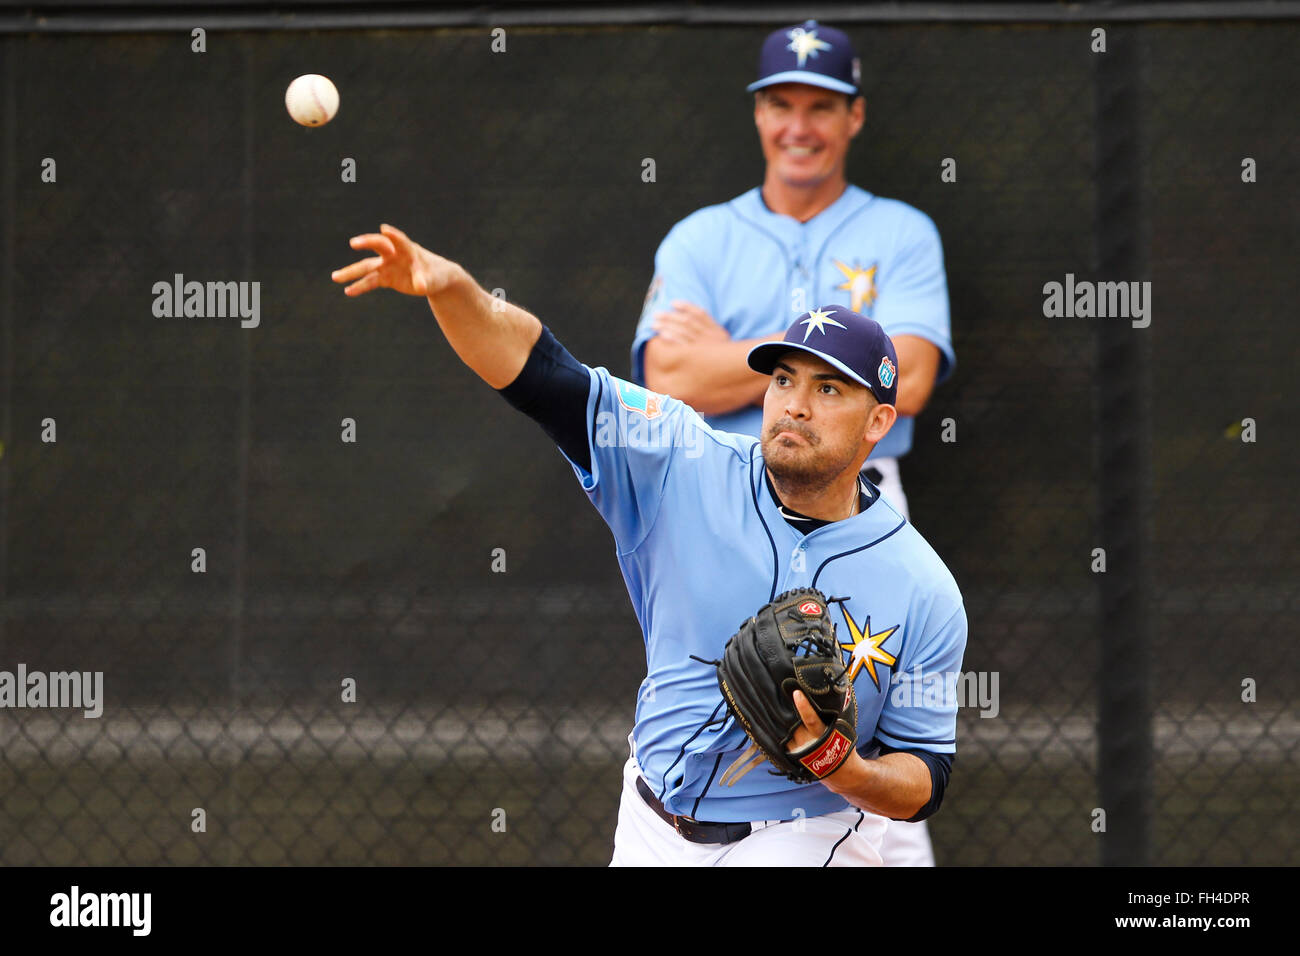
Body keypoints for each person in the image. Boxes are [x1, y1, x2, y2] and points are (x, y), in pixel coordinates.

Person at [332, 224, 966, 866]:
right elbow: (546, 377)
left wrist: (846, 770)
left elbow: (926, 776)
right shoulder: (681, 459)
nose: (795, 405)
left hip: (805, 835)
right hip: (649, 824)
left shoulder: (923, 587)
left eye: (827, 389)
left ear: (878, 423)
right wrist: (458, 293)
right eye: (783, 379)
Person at [633, 19, 954, 865]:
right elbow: (667, 378)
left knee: (868, 759)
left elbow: (910, 378)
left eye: (822, 105)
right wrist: (837, 364)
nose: (799, 125)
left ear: (854, 117)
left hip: (861, 508)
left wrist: (735, 350)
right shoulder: (702, 237)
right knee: (721, 714)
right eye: (781, 104)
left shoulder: (903, 232)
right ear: (758, 115)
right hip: (727, 505)